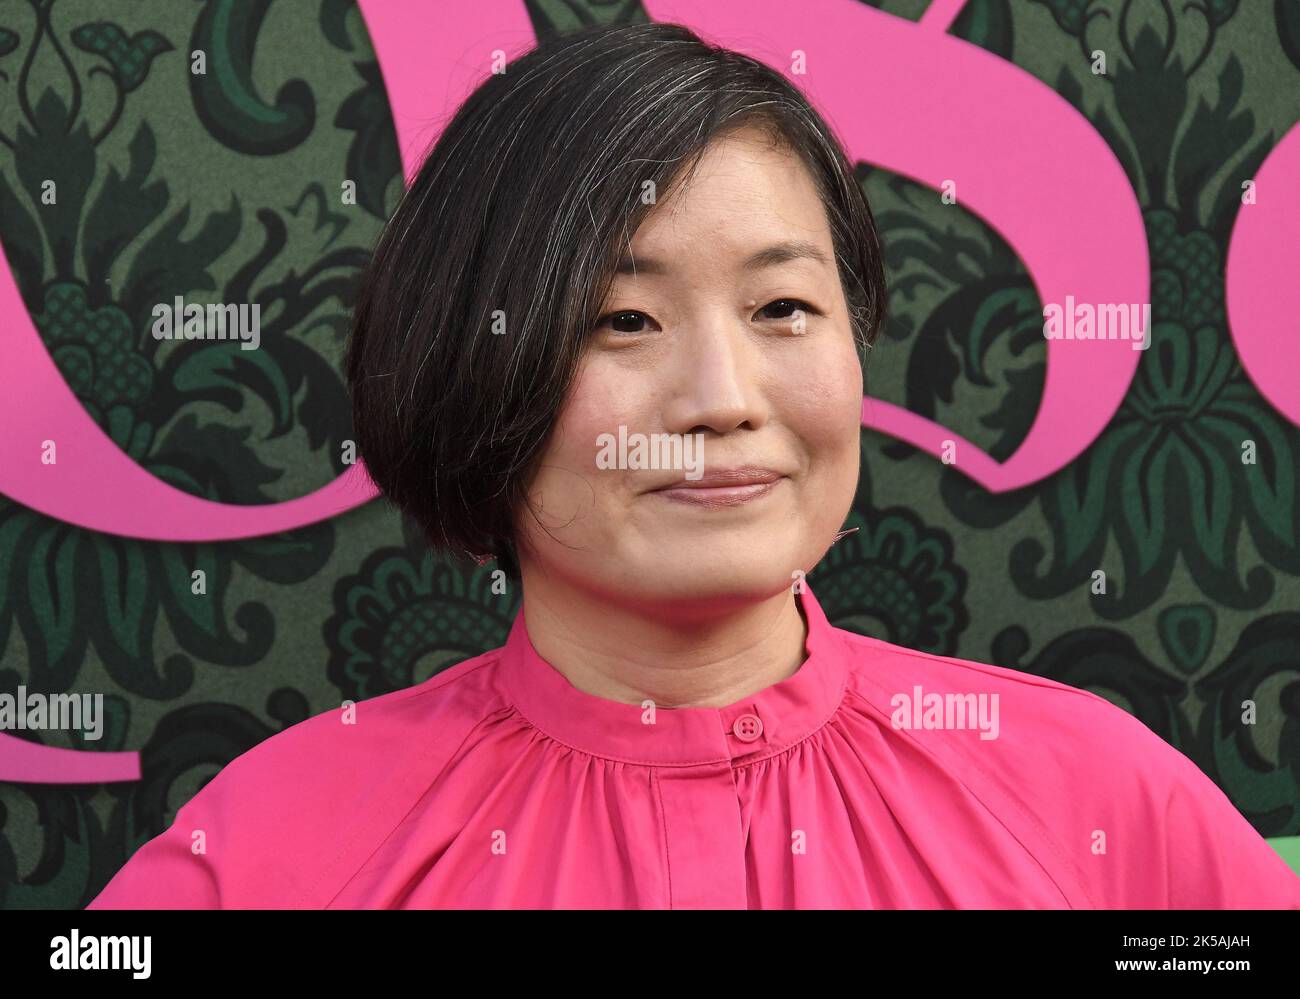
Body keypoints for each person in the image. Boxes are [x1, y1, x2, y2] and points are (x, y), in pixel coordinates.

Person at [88, 21, 1300, 909]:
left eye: (781, 309)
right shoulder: (273, 848)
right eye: (622, 322)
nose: (722, 401)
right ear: (469, 362)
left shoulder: (1098, 798)